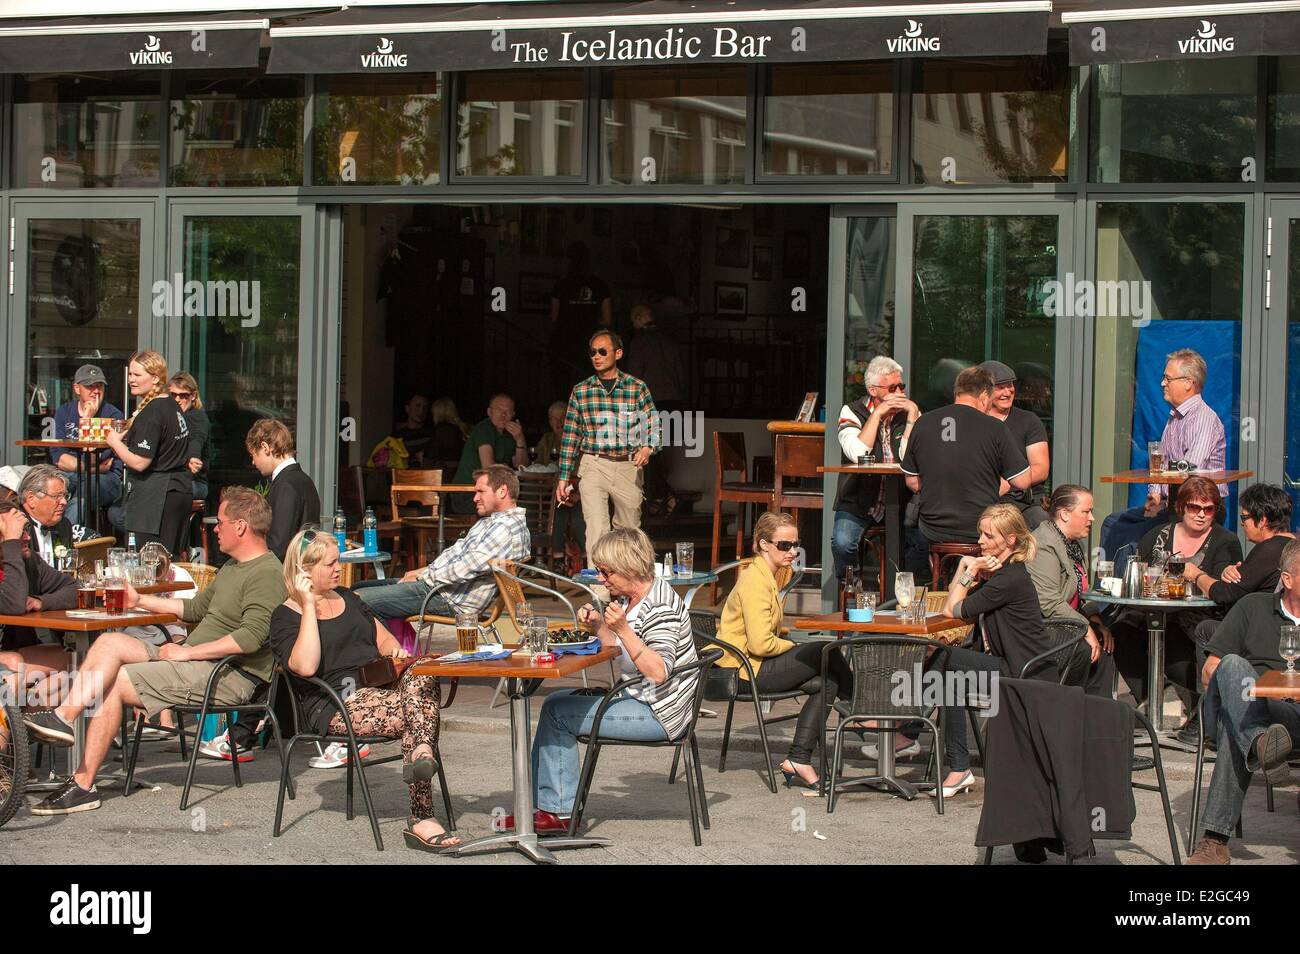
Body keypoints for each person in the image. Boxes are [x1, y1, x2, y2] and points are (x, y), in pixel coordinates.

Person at [23, 487, 286, 815]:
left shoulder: (267, 573)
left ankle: (82, 784)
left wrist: (188, 653)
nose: (213, 528)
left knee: (116, 682)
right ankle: (63, 718)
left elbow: (250, 638)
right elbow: (196, 608)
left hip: (227, 675)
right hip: (195, 660)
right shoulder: (234, 567)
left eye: (219, 522)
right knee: (109, 643)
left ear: (242, 526)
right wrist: (140, 601)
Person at [270, 528, 459, 852]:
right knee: (420, 715)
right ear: (304, 571)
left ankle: (422, 755)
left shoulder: (349, 598)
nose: (338, 569)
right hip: (335, 703)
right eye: (330, 564)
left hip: (380, 686)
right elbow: (306, 666)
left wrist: (396, 653)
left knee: (424, 673)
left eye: (337, 562)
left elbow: (385, 640)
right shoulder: (285, 616)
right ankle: (422, 812)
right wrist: (309, 606)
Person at [507, 528, 698, 833]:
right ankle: (538, 806)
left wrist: (623, 630)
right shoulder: (632, 599)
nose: (601, 578)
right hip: (639, 698)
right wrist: (599, 626)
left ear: (630, 567)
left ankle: (558, 812)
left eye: (606, 571)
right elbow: (620, 647)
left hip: (660, 714)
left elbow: (658, 670)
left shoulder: (660, 607)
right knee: (555, 701)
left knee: (557, 713)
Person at [929, 504, 1070, 799]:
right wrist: (963, 568)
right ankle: (958, 767)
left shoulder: (1010, 580)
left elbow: (950, 608)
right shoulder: (1003, 575)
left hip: (1025, 675)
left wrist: (970, 570)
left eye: (987, 535)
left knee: (944, 659)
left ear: (1010, 541)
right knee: (949, 677)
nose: (980, 540)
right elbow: (954, 608)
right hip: (1012, 667)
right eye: (980, 533)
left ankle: (903, 724)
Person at [716, 512, 852, 789]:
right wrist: (794, 646)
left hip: (753, 664)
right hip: (743, 670)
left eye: (795, 545)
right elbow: (760, 644)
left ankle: (799, 759)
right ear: (763, 544)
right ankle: (860, 711)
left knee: (828, 681)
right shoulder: (755, 581)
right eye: (784, 545)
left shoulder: (769, 574)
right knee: (824, 649)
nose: (792, 552)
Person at [1185, 538, 1300, 864]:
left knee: (1237, 726)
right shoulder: (1253, 607)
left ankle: (1214, 841)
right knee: (1232, 670)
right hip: (1256, 704)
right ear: (1287, 579)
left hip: (1295, 717)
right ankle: (1259, 743)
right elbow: (1210, 672)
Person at [1110, 476, 1242, 722]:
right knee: (1121, 630)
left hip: (1196, 617)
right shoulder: (1156, 536)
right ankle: (1156, 699)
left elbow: (1224, 591)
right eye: (1194, 507)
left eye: (1208, 509)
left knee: (1174, 640)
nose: (1201, 514)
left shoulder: (1225, 541)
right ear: (1181, 507)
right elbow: (1139, 575)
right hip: (1153, 612)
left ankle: (1182, 701)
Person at [1173, 483, 1294, 746]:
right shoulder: (1288, 548)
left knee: (1206, 629)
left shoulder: (1271, 548)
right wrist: (1230, 571)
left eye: (1245, 518)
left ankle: (1209, 717)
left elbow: (1226, 595)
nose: (1243, 525)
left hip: (1266, 637)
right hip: (1276, 632)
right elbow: (1241, 583)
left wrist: (1197, 574)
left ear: (1262, 520)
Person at [900, 366, 1032, 581]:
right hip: (978, 528)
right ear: (983, 396)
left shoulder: (923, 422)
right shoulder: (995, 427)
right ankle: (986, 594)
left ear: (957, 393)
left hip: (933, 527)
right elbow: (1023, 481)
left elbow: (912, 481)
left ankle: (940, 587)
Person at [1100, 348, 1227, 570]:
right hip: (1172, 504)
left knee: (1133, 541)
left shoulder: (1204, 419)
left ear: (1188, 382)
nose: (1162, 384)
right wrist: (1156, 495)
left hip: (1198, 508)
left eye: (1168, 378)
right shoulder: (1174, 419)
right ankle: (1108, 594)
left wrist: (1165, 496)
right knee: (1113, 523)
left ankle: (1126, 599)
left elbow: (1190, 470)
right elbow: (1163, 464)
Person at [355, 464, 530, 622]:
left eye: (480, 491)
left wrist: (423, 577)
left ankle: (382, 651)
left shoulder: (504, 529)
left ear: (502, 491)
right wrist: (423, 571)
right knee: (356, 588)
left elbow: (466, 568)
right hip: (441, 589)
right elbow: (457, 554)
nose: (475, 498)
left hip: (448, 599)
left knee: (357, 600)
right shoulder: (491, 521)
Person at [555, 331, 659, 560]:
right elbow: (571, 435)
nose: (597, 356)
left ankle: (624, 586)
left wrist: (646, 447)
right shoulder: (581, 391)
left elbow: (653, 425)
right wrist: (564, 477)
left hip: (627, 464)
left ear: (618, 353)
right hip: (593, 462)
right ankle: (599, 591)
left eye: (603, 351)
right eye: (593, 352)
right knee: (596, 528)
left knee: (628, 530)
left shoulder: (636, 387)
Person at [831, 355, 920, 580]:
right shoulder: (851, 411)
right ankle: (853, 590)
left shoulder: (910, 413)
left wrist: (911, 417)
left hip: (901, 501)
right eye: (893, 387)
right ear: (873, 389)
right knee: (842, 543)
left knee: (919, 544)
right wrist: (878, 414)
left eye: (902, 386)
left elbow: (907, 457)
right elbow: (858, 453)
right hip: (859, 499)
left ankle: (899, 595)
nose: (900, 392)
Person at [1025, 484, 1119, 693]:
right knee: (1084, 649)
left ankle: (1098, 719)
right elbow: (1048, 603)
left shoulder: (1075, 545)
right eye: (1086, 512)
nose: (1092, 518)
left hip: (1068, 622)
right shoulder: (1043, 545)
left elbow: (1080, 594)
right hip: (1044, 627)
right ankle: (1069, 708)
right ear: (1065, 514)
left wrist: (1094, 620)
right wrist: (1085, 627)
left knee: (1106, 647)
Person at [104, 350, 193, 557]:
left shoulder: (153, 411)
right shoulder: (171, 404)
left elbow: (140, 462)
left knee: (150, 569)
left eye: (137, 375)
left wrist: (114, 442)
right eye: (130, 374)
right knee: (168, 568)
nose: (131, 380)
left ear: (155, 378)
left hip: (157, 500)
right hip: (177, 492)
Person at [0, 499, 76, 681]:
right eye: (18, 533)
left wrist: (42, 602)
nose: (27, 537)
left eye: (26, 529)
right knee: (13, 664)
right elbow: (14, 605)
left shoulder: (28, 561)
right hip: (8, 657)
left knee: (74, 662)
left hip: (14, 649)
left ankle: (47, 711)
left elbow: (74, 588)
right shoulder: (16, 556)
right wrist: (11, 543)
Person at [623, 304, 687, 514]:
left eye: (633, 321)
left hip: (650, 404)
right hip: (673, 402)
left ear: (640, 318)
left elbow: (634, 375)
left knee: (648, 454)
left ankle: (660, 497)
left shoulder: (640, 341)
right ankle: (663, 497)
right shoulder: (671, 340)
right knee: (657, 454)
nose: (633, 326)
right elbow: (681, 374)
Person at [979, 360, 1051, 530]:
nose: (1008, 391)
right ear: (984, 391)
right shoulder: (973, 421)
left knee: (1040, 521)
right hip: (982, 498)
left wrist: (1010, 483)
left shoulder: (1028, 421)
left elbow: (1040, 469)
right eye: (1000, 387)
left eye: (1010, 385)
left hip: (1023, 500)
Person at [50, 364, 124, 526]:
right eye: (90, 386)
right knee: (49, 489)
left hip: (108, 479)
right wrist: (90, 468)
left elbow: (94, 460)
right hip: (75, 475)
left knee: (83, 493)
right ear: (77, 389)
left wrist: (87, 421)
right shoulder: (64, 412)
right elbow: (60, 460)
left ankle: (67, 543)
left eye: (99, 386)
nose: (96, 391)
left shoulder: (113, 415)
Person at [245, 418, 321, 562]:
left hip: (287, 574)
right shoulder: (304, 480)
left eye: (253, 455)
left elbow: (279, 545)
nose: (253, 462)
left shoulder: (286, 484)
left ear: (265, 448)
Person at [449, 393, 529, 514]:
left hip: (493, 491)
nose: (503, 415)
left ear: (513, 415)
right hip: (467, 492)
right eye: (499, 410)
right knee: (515, 508)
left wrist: (520, 439)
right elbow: (489, 468)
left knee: (525, 506)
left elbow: (522, 466)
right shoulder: (484, 429)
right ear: (489, 412)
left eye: (507, 411)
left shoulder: (510, 434)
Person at [550, 241, 612, 394]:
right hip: (589, 343)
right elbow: (607, 319)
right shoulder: (600, 285)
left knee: (562, 389)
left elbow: (554, 317)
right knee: (588, 389)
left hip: (564, 341)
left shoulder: (561, 285)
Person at [536, 400, 585, 562]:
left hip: (578, 490)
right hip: (551, 493)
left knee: (577, 512)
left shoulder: (579, 440)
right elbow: (540, 467)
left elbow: (583, 472)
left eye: (563, 418)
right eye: (553, 419)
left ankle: (586, 559)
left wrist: (575, 492)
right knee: (557, 510)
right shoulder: (547, 440)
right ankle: (557, 558)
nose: (558, 422)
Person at [17, 465, 77, 568]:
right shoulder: (16, 527)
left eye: (65, 496)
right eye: (57, 496)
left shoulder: (63, 525)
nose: (64, 502)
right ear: (31, 499)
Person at [169, 373, 210, 502]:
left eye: (183, 395)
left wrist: (193, 457)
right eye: (173, 395)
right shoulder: (167, 416)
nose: (177, 399)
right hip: (172, 479)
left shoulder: (197, 417)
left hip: (195, 482)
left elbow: (197, 438)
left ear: (193, 396)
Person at [428, 397, 470, 474]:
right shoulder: (462, 429)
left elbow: (432, 455)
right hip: (463, 472)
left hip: (445, 475)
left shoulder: (440, 431)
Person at [393, 392, 435, 467]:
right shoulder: (397, 437)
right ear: (407, 408)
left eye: (425, 407)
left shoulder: (432, 434)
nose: (421, 411)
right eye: (417, 406)